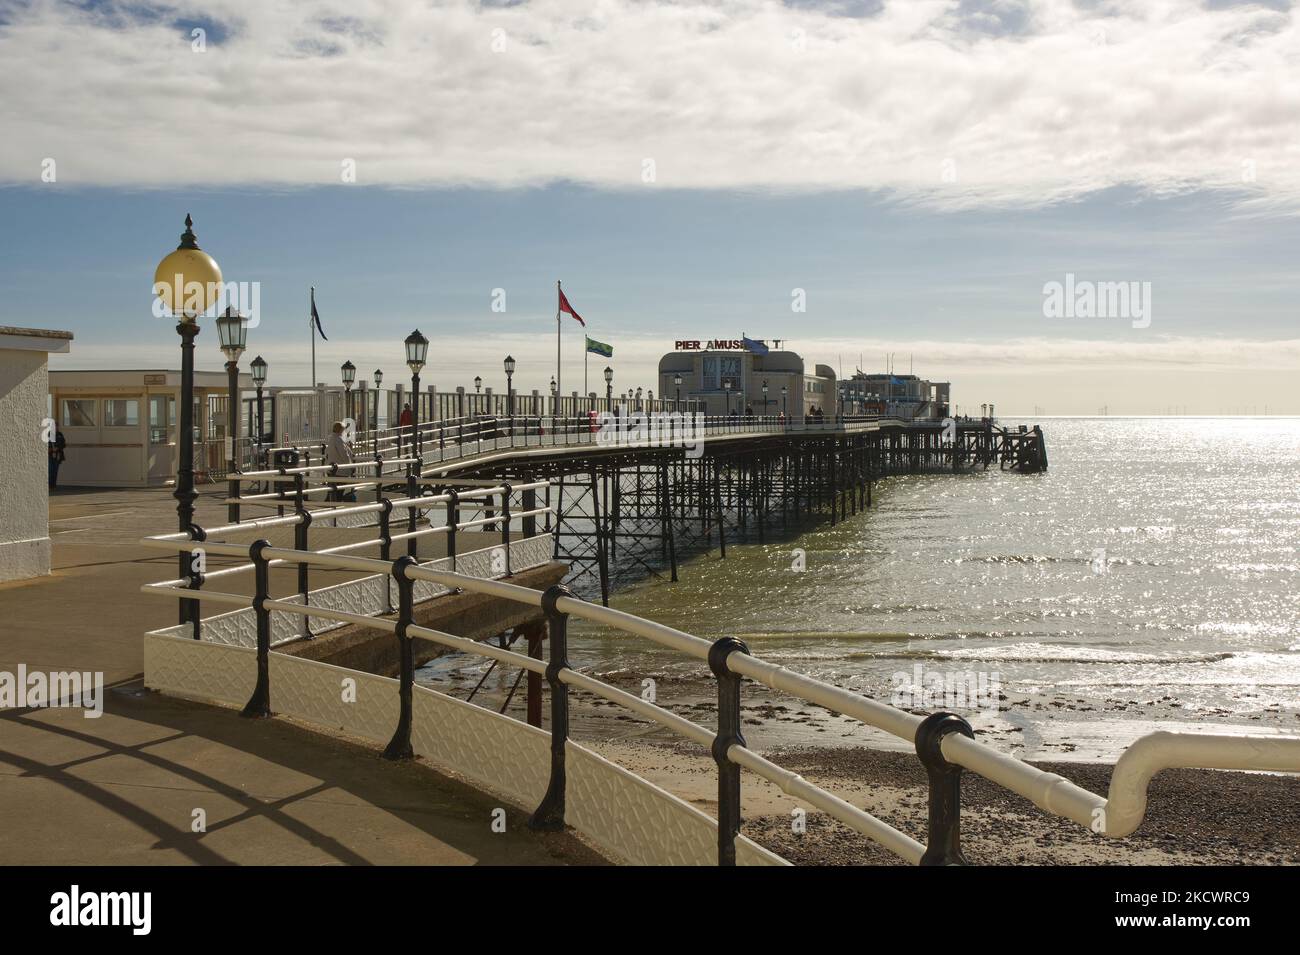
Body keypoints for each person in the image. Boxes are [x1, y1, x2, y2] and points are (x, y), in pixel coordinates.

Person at [324, 421, 353, 501]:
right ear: (340, 430)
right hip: (340, 471)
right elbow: (344, 455)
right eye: (343, 430)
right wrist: (350, 466)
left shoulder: (331, 438)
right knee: (338, 492)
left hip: (331, 469)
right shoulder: (338, 440)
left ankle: (326, 507)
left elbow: (327, 453)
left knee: (332, 491)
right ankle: (331, 508)